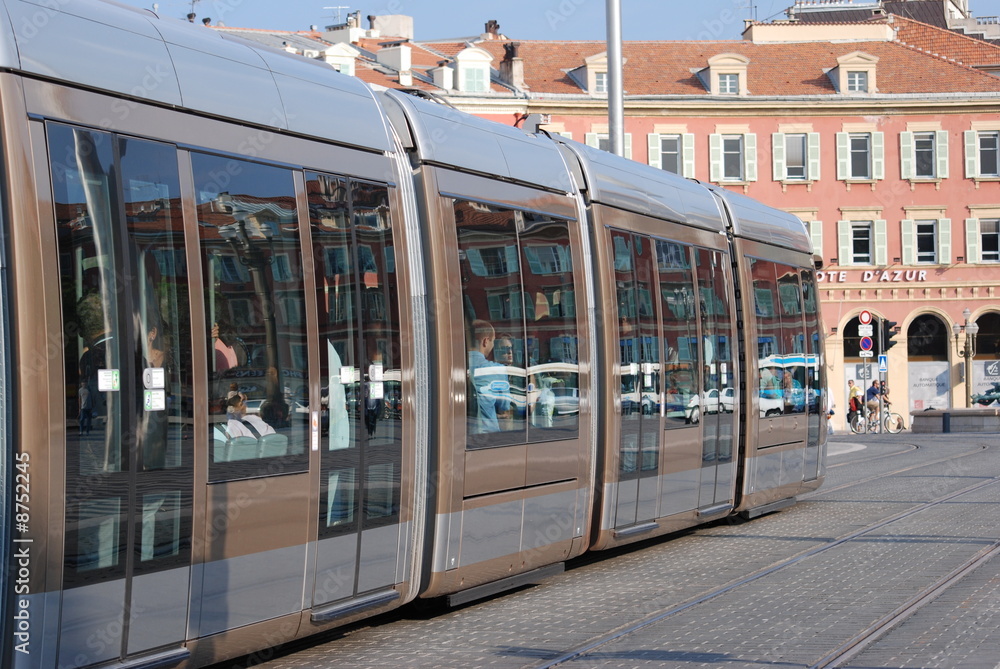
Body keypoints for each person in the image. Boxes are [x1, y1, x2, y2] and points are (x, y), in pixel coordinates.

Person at [467, 319, 511, 434]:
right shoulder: (497, 370)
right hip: (488, 437)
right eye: (493, 341)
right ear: (485, 341)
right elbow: (503, 407)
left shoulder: (452, 366)